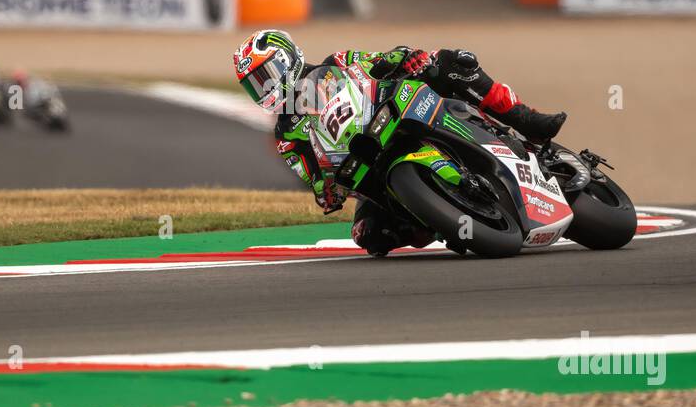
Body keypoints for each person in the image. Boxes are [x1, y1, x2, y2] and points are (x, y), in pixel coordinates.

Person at [232, 29, 567, 255]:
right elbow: (312, 178)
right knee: (368, 236)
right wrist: (327, 192)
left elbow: (379, 61)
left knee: (449, 63)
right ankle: (441, 218)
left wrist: (405, 58)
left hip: (393, 113)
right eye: (254, 85)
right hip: (366, 166)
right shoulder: (286, 135)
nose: (264, 89)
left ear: (287, 59)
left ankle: (526, 120)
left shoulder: (337, 63)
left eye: (265, 76)